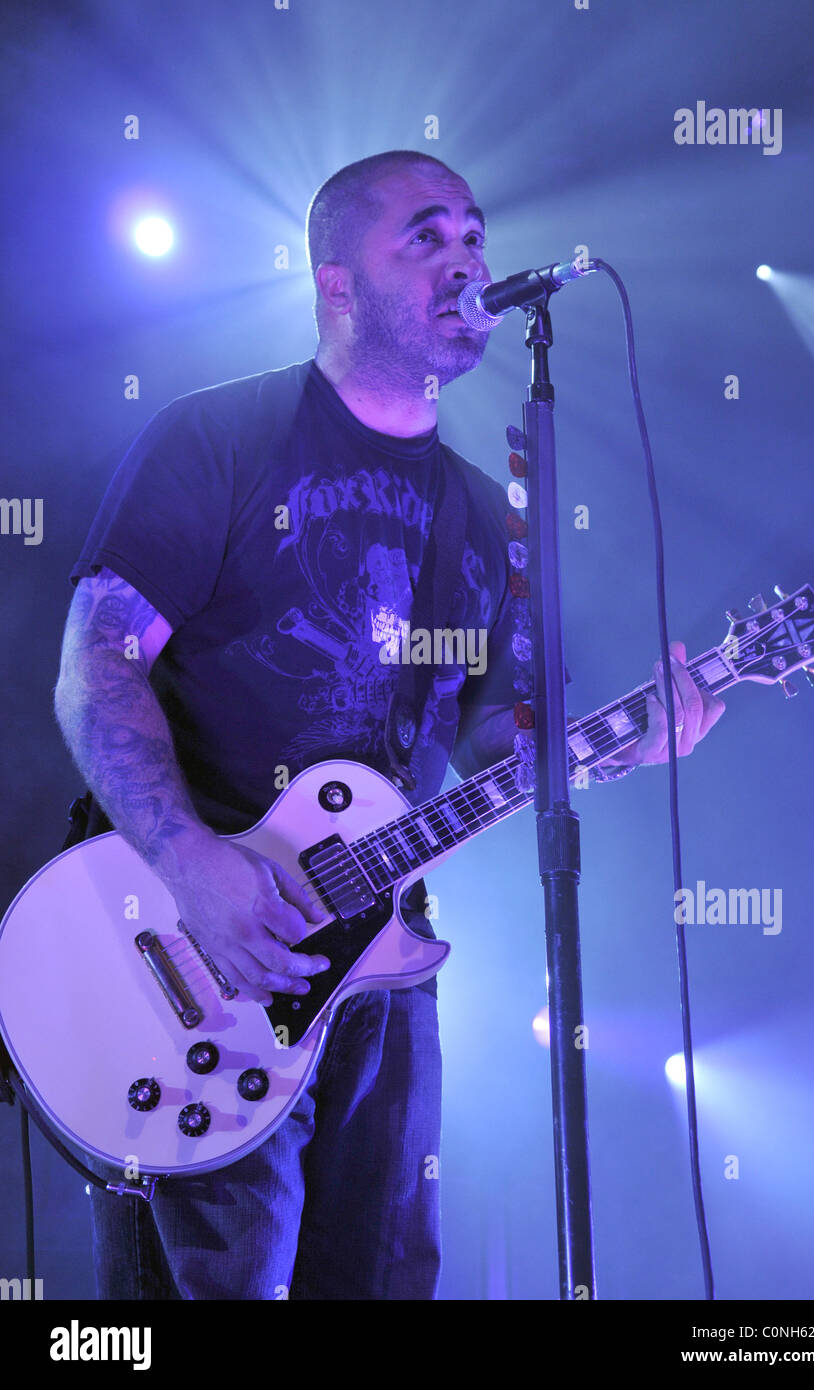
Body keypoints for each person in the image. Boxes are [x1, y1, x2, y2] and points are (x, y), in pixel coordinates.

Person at [53, 149, 725, 1301]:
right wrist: (192, 863)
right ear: (334, 281)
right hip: (200, 943)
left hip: (381, 967)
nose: (466, 256)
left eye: (471, 231)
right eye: (425, 235)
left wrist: (631, 734)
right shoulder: (219, 437)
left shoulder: (479, 510)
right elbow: (96, 668)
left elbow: (491, 751)